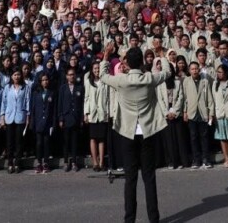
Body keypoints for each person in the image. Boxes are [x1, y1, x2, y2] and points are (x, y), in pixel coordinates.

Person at [99, 43, 167, 223]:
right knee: (149, 177)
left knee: (130, 179)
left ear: (127, 63)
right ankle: (154, 219)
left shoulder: (121, 80)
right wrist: (161, 53)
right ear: (142, 62)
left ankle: (129, 219)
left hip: (128, 132)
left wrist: (106, 55)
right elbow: (167, 72)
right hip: (147, 131)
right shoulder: (149, 78)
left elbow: (103, 75)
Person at [183, 61, 215, 169]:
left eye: (196, 69)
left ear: (199, 69)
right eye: (192, 69)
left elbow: (210, 98)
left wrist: (211, 113)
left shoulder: (205, 81)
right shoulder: (186, 81)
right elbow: (185, 98)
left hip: (203, 112)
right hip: (192, 113)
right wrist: (185, 111)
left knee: (204, 137)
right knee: (193, 138)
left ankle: (206, 159)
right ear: (189, 70)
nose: (194, 71)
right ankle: (196, 160)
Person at [84, 61, 110, 172]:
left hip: (103, 113)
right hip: (93, 113)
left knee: (102, 139)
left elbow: (108, 98)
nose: (97, 70)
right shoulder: (88, 82)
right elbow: (86, 98)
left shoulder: (105, 81)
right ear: (92, 70)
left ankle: (101, 162)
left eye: (98, 68)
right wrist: (86, 113)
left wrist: (108, 113)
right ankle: (95, 162)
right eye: (95, 68)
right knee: (93, 138)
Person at [57, 67, 84, 171]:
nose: (71, 76)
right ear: (66, 76)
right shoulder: (63, 88)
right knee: (66, 142)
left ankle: (74, 162)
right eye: (69, 75)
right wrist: (60, 118)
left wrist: (81, 118)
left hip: (76, 118)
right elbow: (60, 104)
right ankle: (65, 162)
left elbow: (82, 104)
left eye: (73, 74)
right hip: (66, 118)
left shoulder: (80, 87)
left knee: (74, 141)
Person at [29, 72, 55, 174]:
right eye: (43, 80)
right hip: (38, 122)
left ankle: (46, 162)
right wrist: (32, 122)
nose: (45, 82)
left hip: (48, 122)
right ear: (40, 82)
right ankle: (39, 162)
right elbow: (33, 109)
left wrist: (53, 124)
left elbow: (54, 110)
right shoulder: (36, 93)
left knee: (46, 142)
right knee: (39, 143)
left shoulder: (52, 93)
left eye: (46, 80)